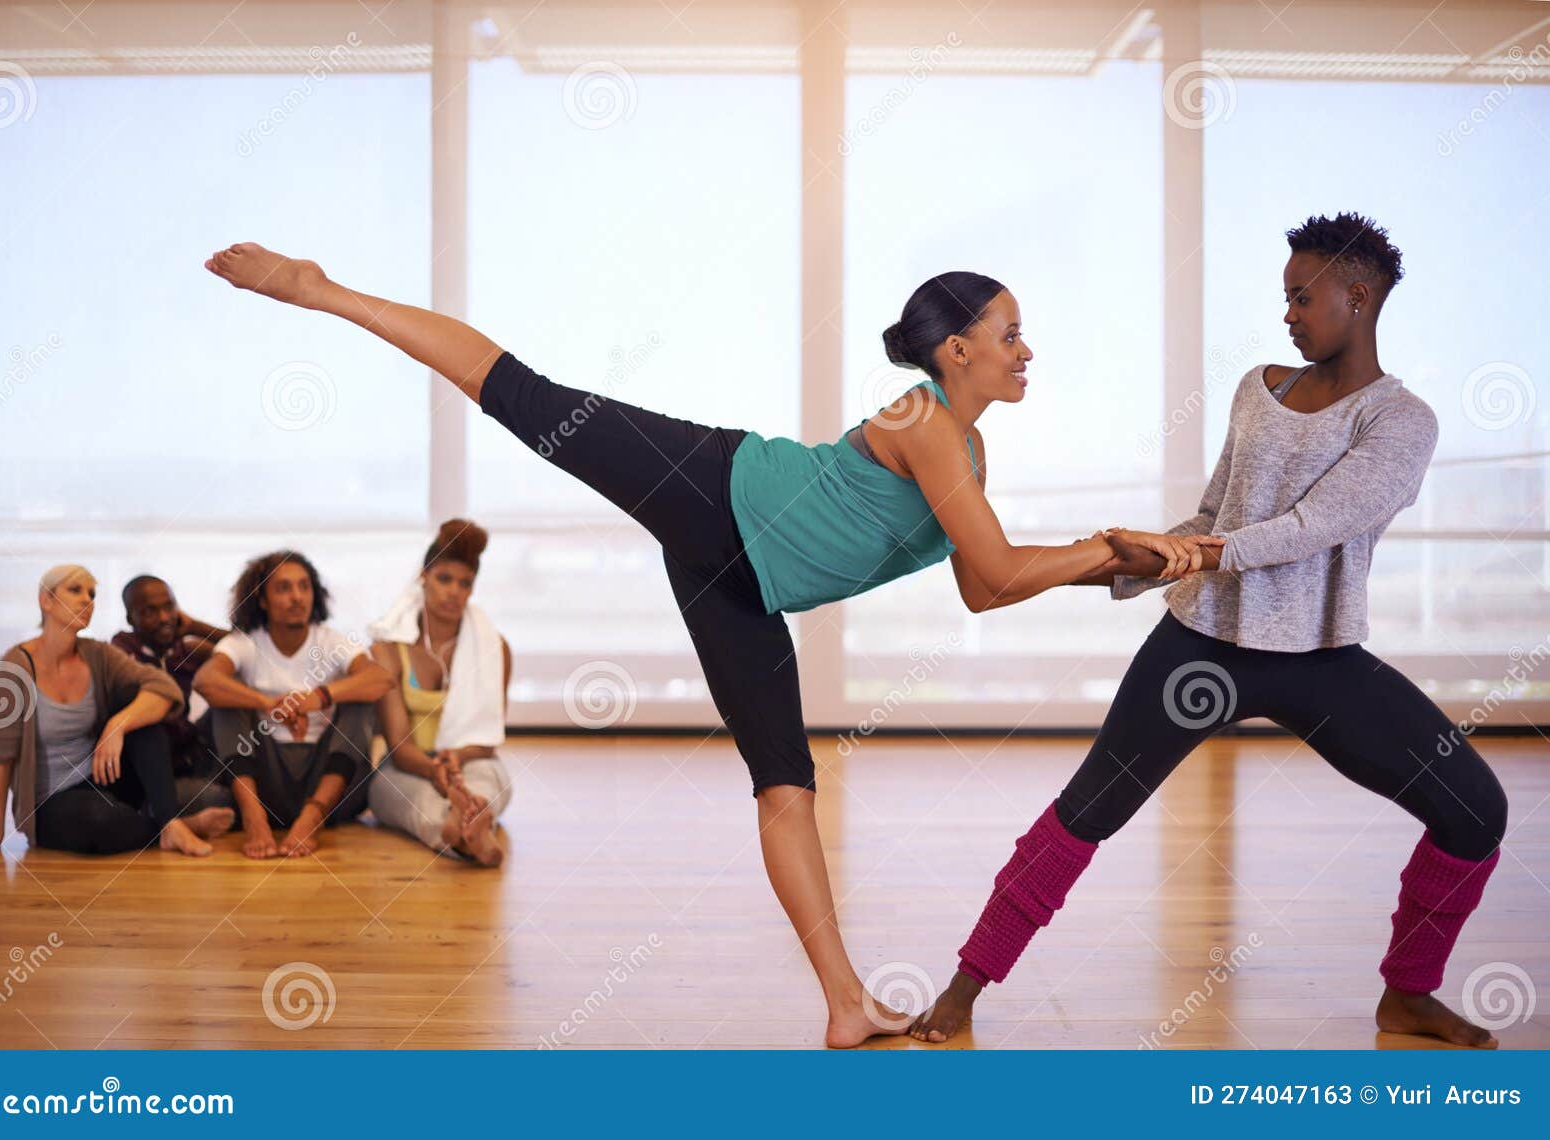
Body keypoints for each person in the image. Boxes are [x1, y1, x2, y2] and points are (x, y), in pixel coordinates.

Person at [203, 241, 1207, 1047]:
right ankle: (323, 290)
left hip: (739, 585)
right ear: (957, 350)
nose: (1024, 350)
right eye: (1009, 334)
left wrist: (1126, 558)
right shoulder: (926, 421)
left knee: (786, 784)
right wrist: (1110, 549)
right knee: (523, 395)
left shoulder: (968, 448)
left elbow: (984, 592)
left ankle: (846, 1004)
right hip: (712, 485)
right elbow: (997, 573)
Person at [911, 213, 1510, 1050]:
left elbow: (1313, 525)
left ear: (1358, 296)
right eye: (1285, 299)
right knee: (1086, 811)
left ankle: (1407, 995)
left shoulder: (1402, 421)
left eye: (1303, 299)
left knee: (1476, 810)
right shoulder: (1257, 388)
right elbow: (1211, 514)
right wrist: (1133, 558)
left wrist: (1197, 551)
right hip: (1200, 647)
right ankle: (962, 990)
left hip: (1316, 660)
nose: (1289, 316)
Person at [0, 565, 233, 857]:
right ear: (45, 601)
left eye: (92, 593)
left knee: (140, 706)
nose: (87, 599)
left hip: (101, 779)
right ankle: (173, 827)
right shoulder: (14, 669)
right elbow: (0, 759)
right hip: (51, 803)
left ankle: (169, 823)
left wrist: (118, 725)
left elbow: (164, 688)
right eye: (75, 590)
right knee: (101, 820)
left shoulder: (97, 654)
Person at [193, 551, 395, 859]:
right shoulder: (244, 643)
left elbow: (381, 680)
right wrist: (269, 703)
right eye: (283, 588)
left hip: (331, 786)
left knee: (360, 702)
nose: (297, 597)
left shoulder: (331, 641)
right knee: (227, 703)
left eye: (304, 587)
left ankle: (311, 819)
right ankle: (254, 819)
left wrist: (318, 698)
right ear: (262, 599)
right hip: (265, 783)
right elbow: (206, 681)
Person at [368, 519, 513, 867]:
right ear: (423, 577)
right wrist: (437, 772)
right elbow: (400, 747)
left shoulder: (495, 647)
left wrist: (457, 762)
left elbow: (488, 739)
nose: (454, 592)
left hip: (469, 759)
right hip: (409, 765)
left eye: (465, 584)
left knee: (489, 780)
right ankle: (468, 831)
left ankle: (466, 820)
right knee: (393, 792)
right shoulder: (388, 647)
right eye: (444, 579)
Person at [112, 574, 233, 816]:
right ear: (130, 618)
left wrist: (195, 627)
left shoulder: (185, 650)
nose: (164, 618)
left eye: (170, 607)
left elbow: (246, 650)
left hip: (189, 755)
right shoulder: (121, 653)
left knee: (229, 708)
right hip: (151, 775)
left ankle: (233, 789)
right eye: (150, 611)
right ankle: (157, 811)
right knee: (220, 799)